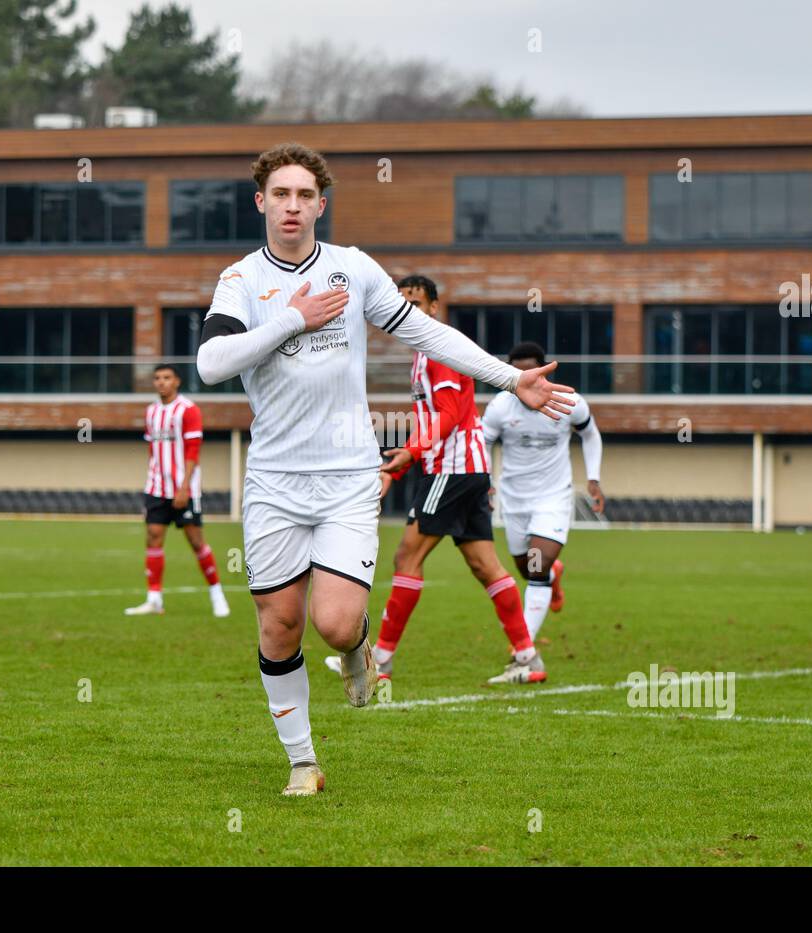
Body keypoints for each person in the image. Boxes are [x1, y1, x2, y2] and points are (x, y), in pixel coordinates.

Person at [195, 142, 573, 795]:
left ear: (321, 203)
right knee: (280, 624)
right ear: (261, 202)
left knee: (335, 623)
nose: (291, 206)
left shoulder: (352, 268)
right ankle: (303, 763)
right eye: (279, 194)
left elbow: (427, 334)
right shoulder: (240, 280)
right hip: (275, 484)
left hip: (346, 477)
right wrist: (293, 318)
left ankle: (357, 648)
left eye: (304, 195)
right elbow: (212, 364)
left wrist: (512, 380)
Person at [374, 281, 553, 686]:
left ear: (435, 307)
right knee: (484, 565)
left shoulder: (439, 349)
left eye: (416, 303)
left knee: (407, 558)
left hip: (450, 471)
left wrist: (408, 455)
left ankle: (379, 661)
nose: (408, 312)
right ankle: (528, 657)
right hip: (467, 469)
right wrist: (401, 467)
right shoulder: (425, 352)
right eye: (400, 305)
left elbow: (451, 414)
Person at [481, 341, 604, 640]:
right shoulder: (499, 407)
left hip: (553, 497)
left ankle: (523, 645)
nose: (525, 378)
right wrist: (485, 482)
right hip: (514, 499)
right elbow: (482, 443)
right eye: (517, 372)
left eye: (531, 371)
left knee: (536, 568)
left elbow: (590, 434)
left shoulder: (568, 401)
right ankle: (553, 575)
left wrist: (594, 478)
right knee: (528, 568)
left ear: (542, 372)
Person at [125, 363, 230, 618]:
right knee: (153, 536)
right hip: (156, 487)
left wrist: (184, 488)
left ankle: (217, 595)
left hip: (184, 488)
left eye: (167, 377)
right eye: (157, 378)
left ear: (177, 381)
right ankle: (154, 599)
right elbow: (153, 449)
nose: (161, 382)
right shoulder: (151, 412)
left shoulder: (188, 410)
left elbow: (193, 450)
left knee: (196, 541)